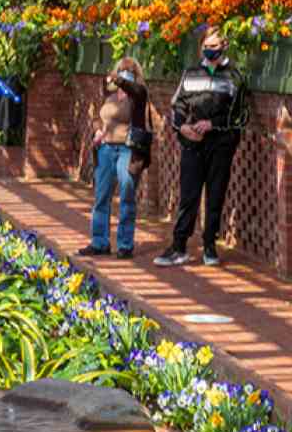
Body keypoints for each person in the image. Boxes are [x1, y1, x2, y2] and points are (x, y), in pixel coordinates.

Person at [155, 29, 249, 268]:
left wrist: (212, 124)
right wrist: (182, 127)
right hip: (193, 144)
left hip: (221, 144)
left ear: (224, 45)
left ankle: (210, 246)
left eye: (214, 46)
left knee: (216, 195)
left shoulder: (235, 77)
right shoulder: (190, 73)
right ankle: (179, 246)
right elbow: (177, 105)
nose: (210, 50)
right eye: (206, 46)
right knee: (188, 196)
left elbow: (240, 115)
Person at [79, 58, 148, 258]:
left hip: (127, 149)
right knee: (101, 196)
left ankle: (125, 244)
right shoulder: (109, 94)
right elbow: (97, 117)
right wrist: (97, 131)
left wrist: (119, 80)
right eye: (122, 69)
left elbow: (133, 89)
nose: (125, 72)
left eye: (129, 70)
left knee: (127, 194)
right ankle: (99, 242)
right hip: (106, 149)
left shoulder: (138, 94)